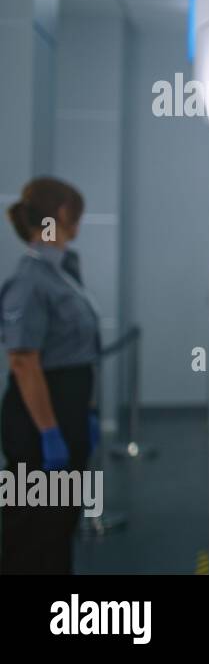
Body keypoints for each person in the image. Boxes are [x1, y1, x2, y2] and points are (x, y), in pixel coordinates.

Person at [1, 178, 100, 574]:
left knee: (59, 523)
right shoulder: (31, 280)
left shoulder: (61, 273)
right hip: (39, 421)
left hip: (67, 413)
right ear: (61, 214)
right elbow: (24, 363)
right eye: (76, 213)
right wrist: (49, 434)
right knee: (30, 529)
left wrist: (82, 416)